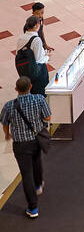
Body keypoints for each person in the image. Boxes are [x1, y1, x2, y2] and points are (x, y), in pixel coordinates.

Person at [1, 76, 51, 218]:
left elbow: (4, 122)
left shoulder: (9, 106)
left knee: (26, 174)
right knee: (37, 160)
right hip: (36, 139)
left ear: (16, 89)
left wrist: (7, 134)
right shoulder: (39, 99)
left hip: (21, 145)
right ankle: (38, 185)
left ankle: (33, 208)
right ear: (30, 87)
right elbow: (47, 117)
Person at [15, 15, 50, 96]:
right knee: (40, 94)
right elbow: (39, 60)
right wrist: (47, 57)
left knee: (29, 93)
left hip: (24, 71)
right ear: (37, 25)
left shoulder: (21, 37)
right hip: (37, 74)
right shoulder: (36, 40)